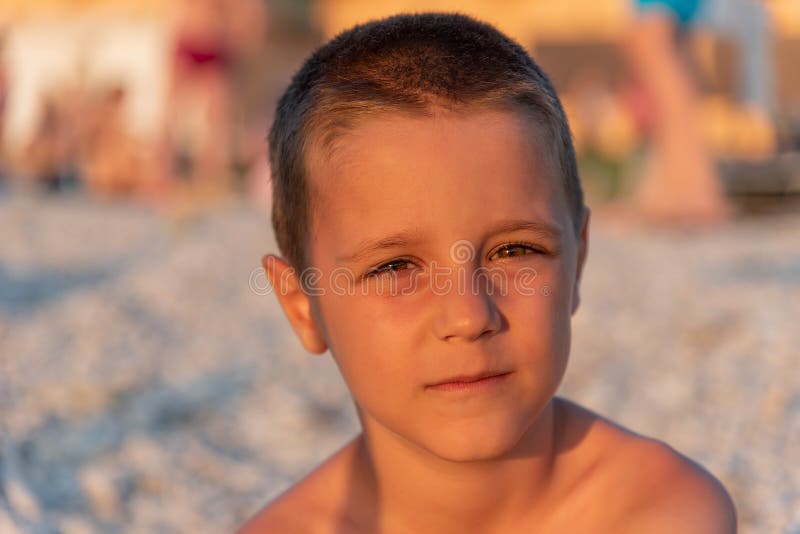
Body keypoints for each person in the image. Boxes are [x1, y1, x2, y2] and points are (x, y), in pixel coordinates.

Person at [239, 13, 736, 533]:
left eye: (513, 250)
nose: (469, 315)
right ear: (303, 307)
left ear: (578, 262)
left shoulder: (661, 512)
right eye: (395, 266)